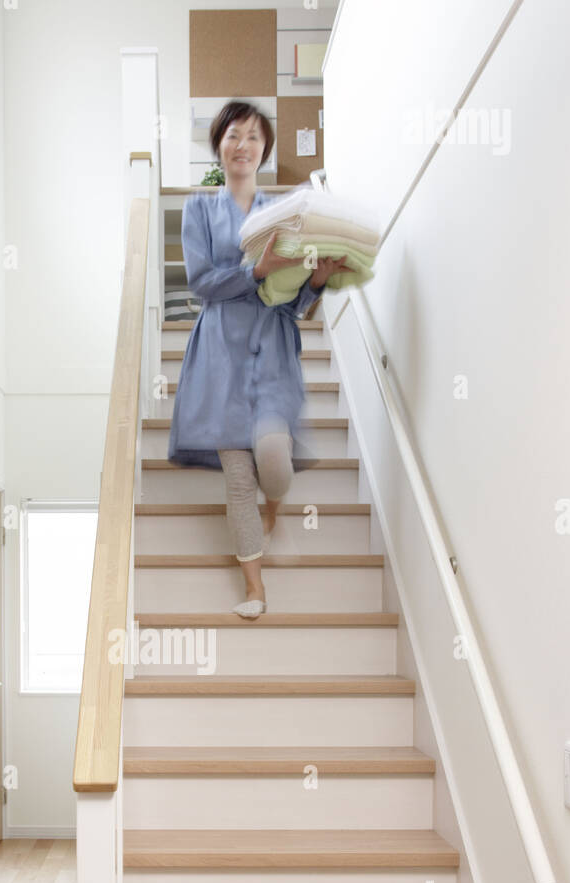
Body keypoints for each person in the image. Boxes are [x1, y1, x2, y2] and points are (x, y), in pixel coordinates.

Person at [167, 101, 350, 618]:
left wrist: (317, 280)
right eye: (233, 135)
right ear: (219, 145)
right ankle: (255, 588)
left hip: (272, 351)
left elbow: (292, 302)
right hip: (219, 355)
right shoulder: (199, 210)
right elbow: (202, 282)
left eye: (252, 136)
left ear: (265, 148)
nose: (242, 144)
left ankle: (275, 510)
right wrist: (256, 270)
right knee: (238, 478)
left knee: (273, 457)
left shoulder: (288, 213)